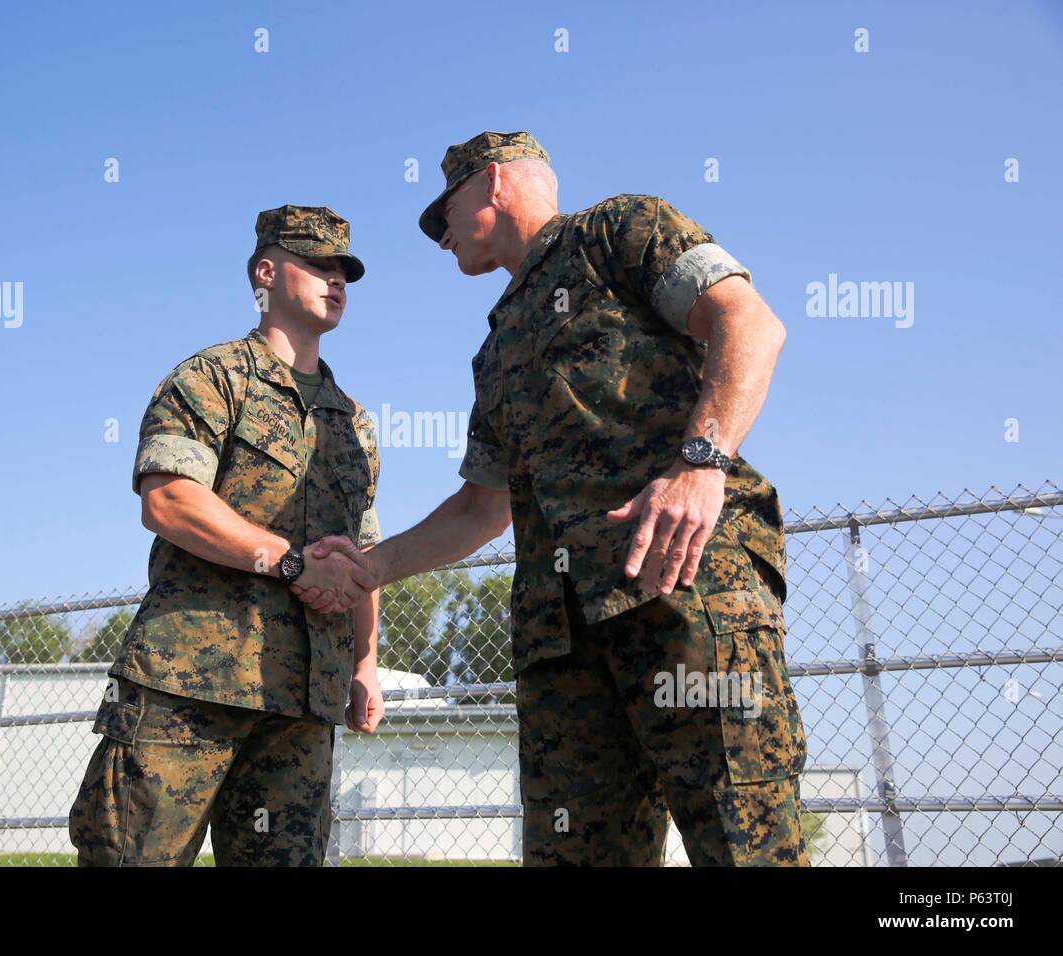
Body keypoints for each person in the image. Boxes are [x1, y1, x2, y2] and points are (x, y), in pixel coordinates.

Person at [299, 132, 808, 866]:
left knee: (744, 840)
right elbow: (482, 507)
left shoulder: (619, 231)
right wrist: (370, 569)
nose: (441, 238)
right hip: (563, 645)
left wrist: (701, 462)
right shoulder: (497, 343)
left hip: (684, 591)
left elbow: (750, 322)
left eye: (446, 214)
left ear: (495, 183)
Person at [68, 205, 384, 866]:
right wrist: (291, 563)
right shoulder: (210, 378)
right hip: (190, 684)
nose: (337, 281)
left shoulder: (354, 422)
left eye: (344, 271)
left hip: (300, 703)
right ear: (266, 272)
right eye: (317, 264)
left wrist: (363, 665)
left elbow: (364, 557)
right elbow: (171, 501)